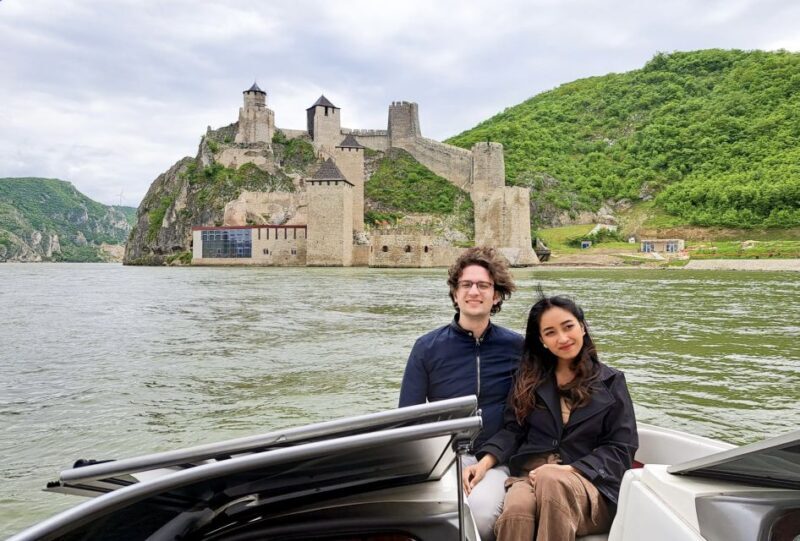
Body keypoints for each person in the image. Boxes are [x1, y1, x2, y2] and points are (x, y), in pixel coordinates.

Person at [462, 294, 638, 541]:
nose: (563, 338)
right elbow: (514, 430)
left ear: (583, 327)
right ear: (542, 341)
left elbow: (622, 447)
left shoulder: (611, 382)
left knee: (551, 478)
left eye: (568, 327)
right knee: (517, 510)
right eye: (551, 332)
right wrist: (483, 464)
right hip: (530, 479)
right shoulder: (529, 381)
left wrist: (570, 469)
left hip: (590, 488)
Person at [399, 246, 523, 541]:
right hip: (444, 459)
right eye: (466, 284)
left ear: (496, 295)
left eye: (483, 285)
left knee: (479, 516)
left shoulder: (517, 348)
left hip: (495, 459)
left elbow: (521, 418)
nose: (474, 291)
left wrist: (487, 462)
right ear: (455, 294)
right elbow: (409, 418)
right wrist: (441, 463)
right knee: (440, 516)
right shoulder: (427, 348)